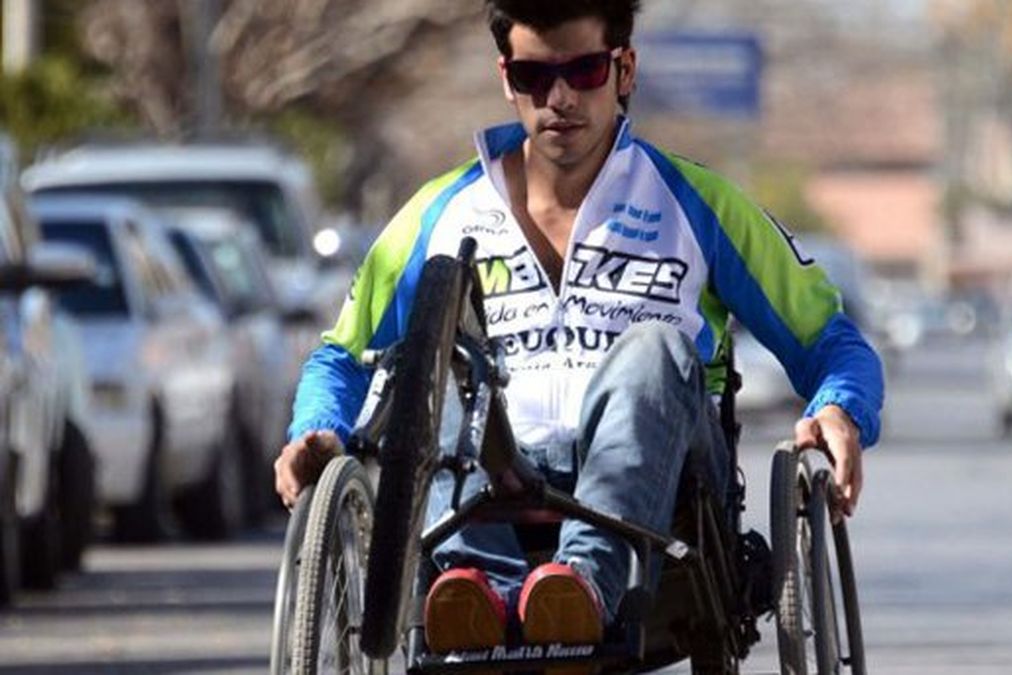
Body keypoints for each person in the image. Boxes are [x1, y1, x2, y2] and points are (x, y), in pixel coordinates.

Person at [275, 0, 884, 665]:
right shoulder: (439, 215)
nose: (559, 98)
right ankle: (471, 586)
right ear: (507, 78)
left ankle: (583, 584)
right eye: (536, 77)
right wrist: (319, 428)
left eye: (584, 71)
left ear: (624, 70)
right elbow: (341, 356)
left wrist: (840, 407)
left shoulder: (697, 202)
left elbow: (831, 339)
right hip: (487, 485)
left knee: (655, 346)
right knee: (442, 351)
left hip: (659, 485)